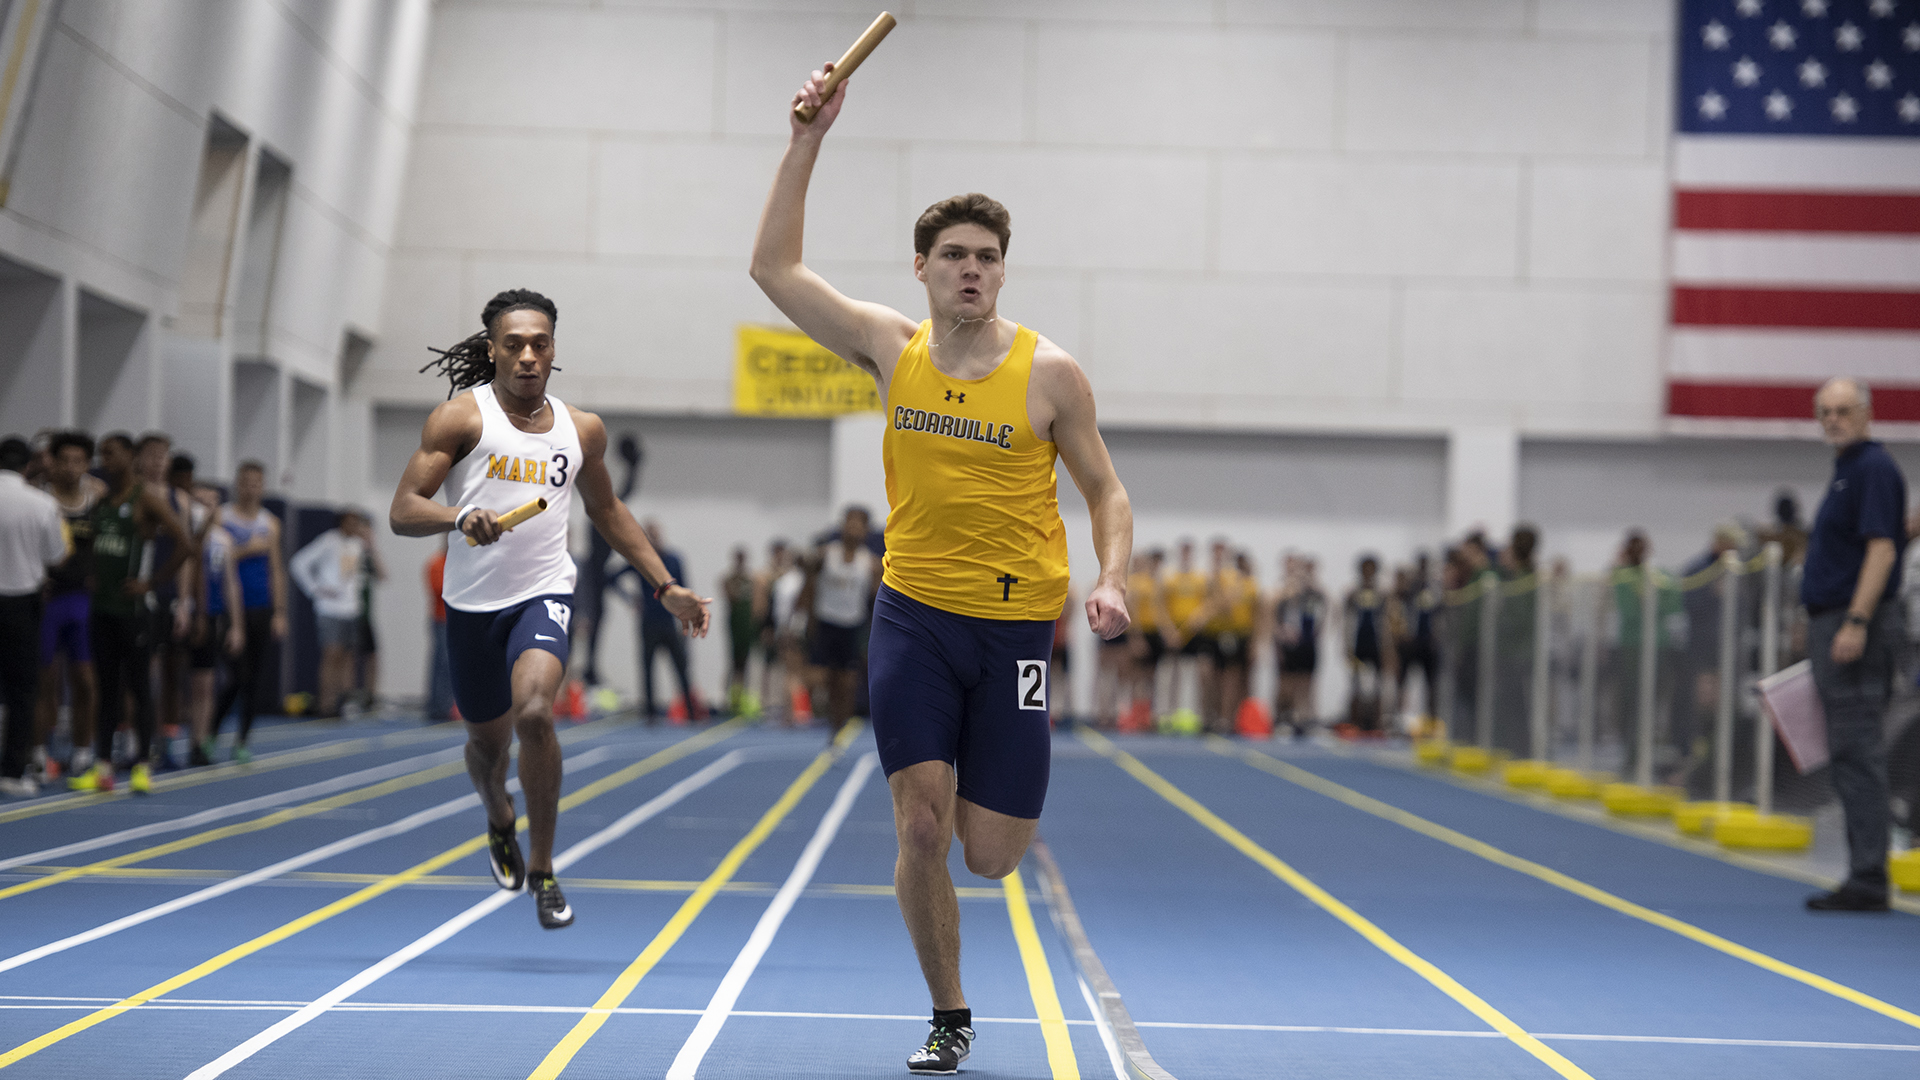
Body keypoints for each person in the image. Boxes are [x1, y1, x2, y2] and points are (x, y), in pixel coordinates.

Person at [753, 67, 1134, 1075]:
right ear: (920, 267)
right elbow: (774, 271)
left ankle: (971, 905)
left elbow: (1107, 492)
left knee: (991, 854)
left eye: (989, 259)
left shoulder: (1051, 375)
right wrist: (809, 138)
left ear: (1005, 273)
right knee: (920, 825)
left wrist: (1112, 577)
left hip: (1014, 635)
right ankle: (950, 1013)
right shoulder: (893, 346)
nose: (973, 272)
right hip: (914, 619)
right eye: (956, 257)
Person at [392, 287, 709, 930]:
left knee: (536, 712)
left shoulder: (581, 429)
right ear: (494, 351)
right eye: (515, 345)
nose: (529, 356)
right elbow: (403, 510)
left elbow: (608, 511)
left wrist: (664, 584)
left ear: (554, 349)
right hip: (472, 605)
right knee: (487, 746)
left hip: (543, 591)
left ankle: (543, 871)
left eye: (540, 344)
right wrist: (459, 516)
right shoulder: (460, 420)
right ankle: (498, 814)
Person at [1801, 377, 1907, 912]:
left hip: (1853, 624)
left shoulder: (1871, 468)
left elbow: (1882, 551)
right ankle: (1863, 869)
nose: (1833, 419)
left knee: (1858, 749)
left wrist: (1857, 620)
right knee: (1847, 752)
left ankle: (1868, 876)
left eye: (1843, 410)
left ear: (1866, 413)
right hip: (1833, 619)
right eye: (1824, 411)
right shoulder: (1850, 471)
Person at [71, 433, 191, 793]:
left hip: (135, 610)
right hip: (103, 609)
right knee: (106, 690)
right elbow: (91, 545)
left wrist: (151, 582)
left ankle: (142, 766)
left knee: (140, 687)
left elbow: (185, 544)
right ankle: (103, 766)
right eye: (101, 454)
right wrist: (90, 573)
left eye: (110, 453)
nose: (104, 460)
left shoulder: (148, 499)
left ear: (131, 456)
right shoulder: (103, 502)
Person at [0, 437, 70, 797]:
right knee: (22, 690)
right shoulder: (42, 504)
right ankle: (12, 770)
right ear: (27, 466)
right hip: (21, 604)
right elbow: (56, 556)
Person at [207, 461, 286, 763]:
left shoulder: (270, 524)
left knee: (254, 679)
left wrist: (279, 611)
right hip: (229, 608)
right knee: (236, 676)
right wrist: (246, 550)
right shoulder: (222, 517)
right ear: (238, 484)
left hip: (261, 605)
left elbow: (276, 569)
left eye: (257, 482)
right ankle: (212, 732)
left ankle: (242, 740)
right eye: (246, 482)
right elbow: (214, 559)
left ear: (262, 487)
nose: (251, 487)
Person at [36, 432, 103, 783]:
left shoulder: (96, 497)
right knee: (45, 681)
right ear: (53, 462)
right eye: (65, 460)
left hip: (82, 601)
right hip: (48, 601)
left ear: (87, 465)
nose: (71, 467)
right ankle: (40, 753)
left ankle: (80, 752)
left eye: (79, 461)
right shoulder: (41, 497)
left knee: (85, 683)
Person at [289, 509, 372, 718]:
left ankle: (344, 703)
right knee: (331, 655)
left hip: (351, 609)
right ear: (342, 522)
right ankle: (326, 704)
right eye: (352, 522)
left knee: (348, 658)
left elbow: (362, 576)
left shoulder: (358, 545)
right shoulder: (328, 541)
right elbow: (298, 563)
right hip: (330, 608)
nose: (355, 527)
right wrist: (315, 589)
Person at [617, 519, 699, 723]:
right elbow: (611, 577)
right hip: (649, 622)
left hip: (669, 622)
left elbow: (684, 589)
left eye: (655, 534)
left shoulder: (672, 560)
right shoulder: (639, 561)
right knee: (648, 669)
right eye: (649, 535)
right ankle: (650, 713)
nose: (653, 539)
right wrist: (630, 599)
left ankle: (691, 711)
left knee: (681, 668)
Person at [809, 506, 878, 736]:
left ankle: (841, 728)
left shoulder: (870, 562)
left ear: (866, 530)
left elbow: (878, 599)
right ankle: (831, 724)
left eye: (859, 525)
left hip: (853, 625)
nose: (854, 529)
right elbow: (808, 587)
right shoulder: (825, 554)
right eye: (850, 523)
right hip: (827, 622)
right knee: (828, 680)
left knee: (848, 683)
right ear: (842, 526)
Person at [190, 486, 245, 764]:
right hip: (184, 612)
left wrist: (236, 625)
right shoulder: (182, 533)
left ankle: (199, 742)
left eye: (212, 503)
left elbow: (230, 583)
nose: (207, 508)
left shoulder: (223, 540)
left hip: (212, 615)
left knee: (205, 682)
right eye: (200, 501)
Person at [1273, 554, 1327, 738]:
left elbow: (1326, 606)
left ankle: (1304, 717)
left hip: (1306, 643)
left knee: (1306, 682)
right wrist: (1281, 634)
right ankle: (1284, 718)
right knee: (1287, 683)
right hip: (1288, 644)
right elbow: (1272, 616)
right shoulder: (1283, 594)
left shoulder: (1312, 594)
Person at [1343, 555, 1395, 736]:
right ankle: (1355, 722)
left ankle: (1376, 723)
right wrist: (1346, 646)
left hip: (1376, 644)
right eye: (1365, 569)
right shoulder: (1353, 593)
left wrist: (1388, 648)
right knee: (1356, 684)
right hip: (1358, 643)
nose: (1368, 573)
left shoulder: (1382, 594)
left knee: (1378, 685)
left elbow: (1386, 621)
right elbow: (1347, 622)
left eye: (1371, 569)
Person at [720, 546, 758, 716]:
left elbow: (756, 601)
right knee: (734, 662)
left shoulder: (751, 580)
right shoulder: (729, 579)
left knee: (746, 662)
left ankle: (742, 698)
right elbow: (731, 596)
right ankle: (731, 699)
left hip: (747, 625)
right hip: (735, 625)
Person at [424, 537, 454, 721]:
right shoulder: (437, 563)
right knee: (441, 663)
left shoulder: (458, 564)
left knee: (450, 664)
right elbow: (440, 589)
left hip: (455, 620)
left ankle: (447, 705)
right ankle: (438, 707)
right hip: (441, 620)